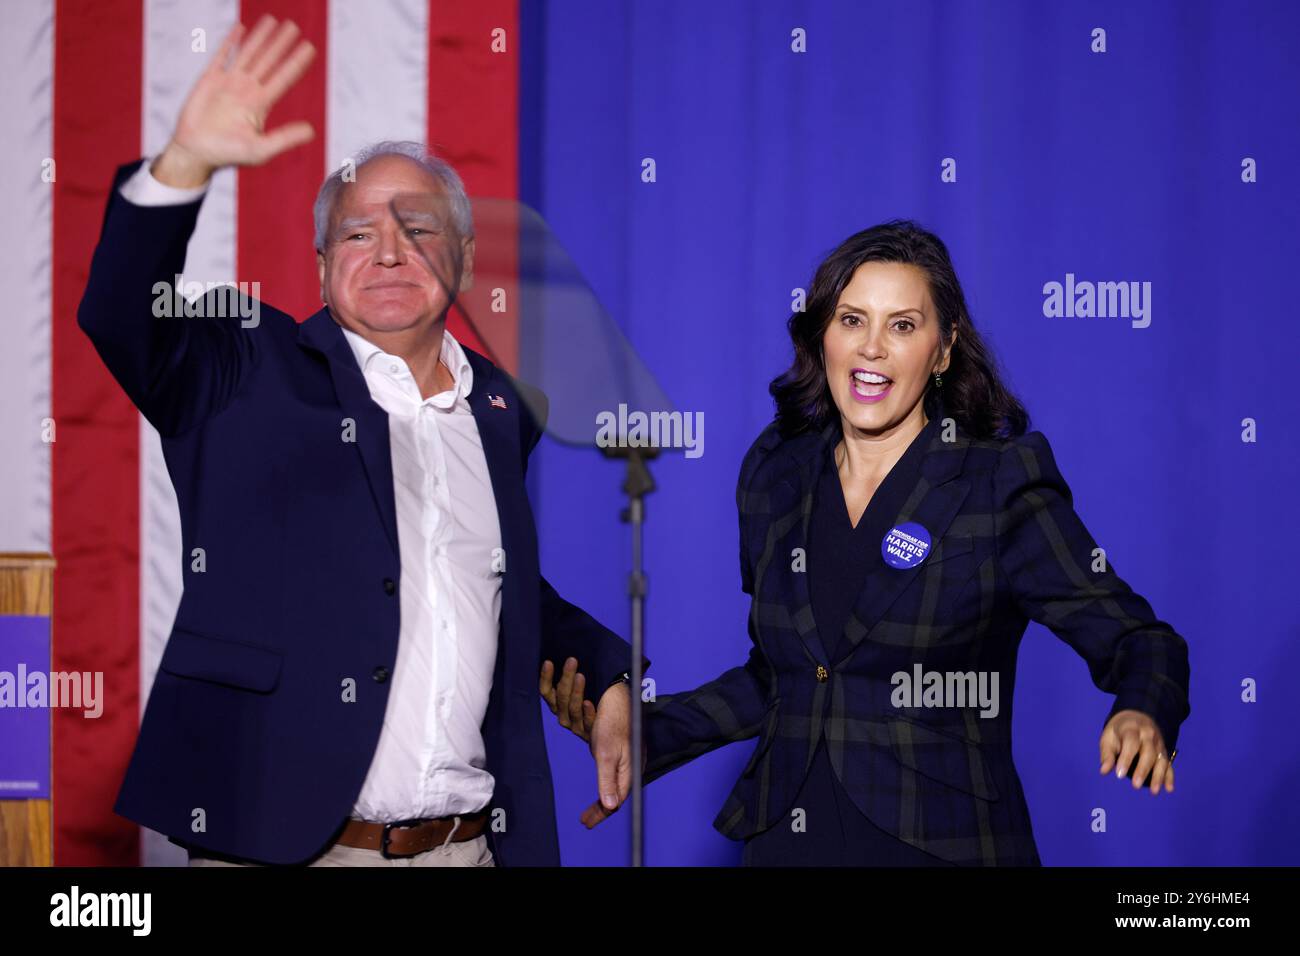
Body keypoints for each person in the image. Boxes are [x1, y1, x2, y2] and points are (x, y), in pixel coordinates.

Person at [78, 15, 637, 867]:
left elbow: (476, 582)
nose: (388, 252)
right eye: (357, 232)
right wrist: (183, 164)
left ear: (463, 257)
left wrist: (605, 672)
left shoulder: (500, 409)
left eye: (417, 229)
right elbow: (121, 313)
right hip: (281, 849)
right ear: (319, 264)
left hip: (466, 849)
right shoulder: (244, 367)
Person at [544, 220, 1191, 866]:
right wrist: (647, 732)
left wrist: (1143, 708)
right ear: (822, 334)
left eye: (902, 325)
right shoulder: (776, 471)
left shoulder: (997, 482)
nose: (872, 348)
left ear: (943, 350)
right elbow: (783, 678)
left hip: (944, 848)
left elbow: (1141, 640)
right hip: (788, 843)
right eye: (852, 320)